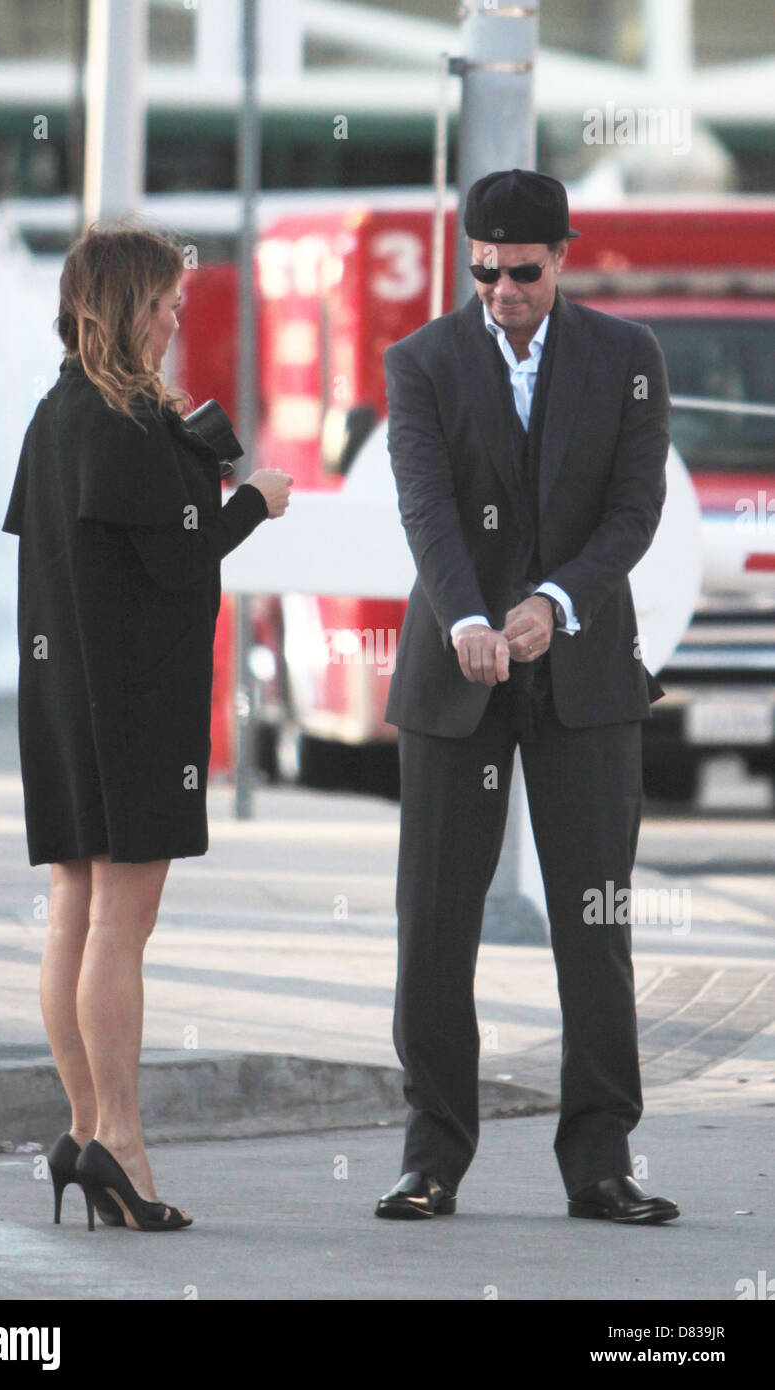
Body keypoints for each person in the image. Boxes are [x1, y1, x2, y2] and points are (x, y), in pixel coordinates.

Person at [375, 170, 680, 1225]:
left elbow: (633, 510)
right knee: (433, 924)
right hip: (451, 677)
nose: (499, 288)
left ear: (562, 255)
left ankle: (599, 1161)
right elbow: (423, 505)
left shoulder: (626, 359)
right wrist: (465, 617)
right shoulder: (417, 362)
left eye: (521, 269)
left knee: (592, 924)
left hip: (584, 678)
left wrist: (554, 600)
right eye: (482, 269)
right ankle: (430, 1158)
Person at [2, 223, 292, 1231]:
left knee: (74, 913)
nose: (178, 314)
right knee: (120, 924)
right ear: (128, 306)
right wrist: (253, 500)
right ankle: (118, 1144)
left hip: (65, 693)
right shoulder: (122, 420)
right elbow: (181, 556)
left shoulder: (58, 410)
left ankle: (85, 1132)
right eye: (166, 299)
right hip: (132, 700)